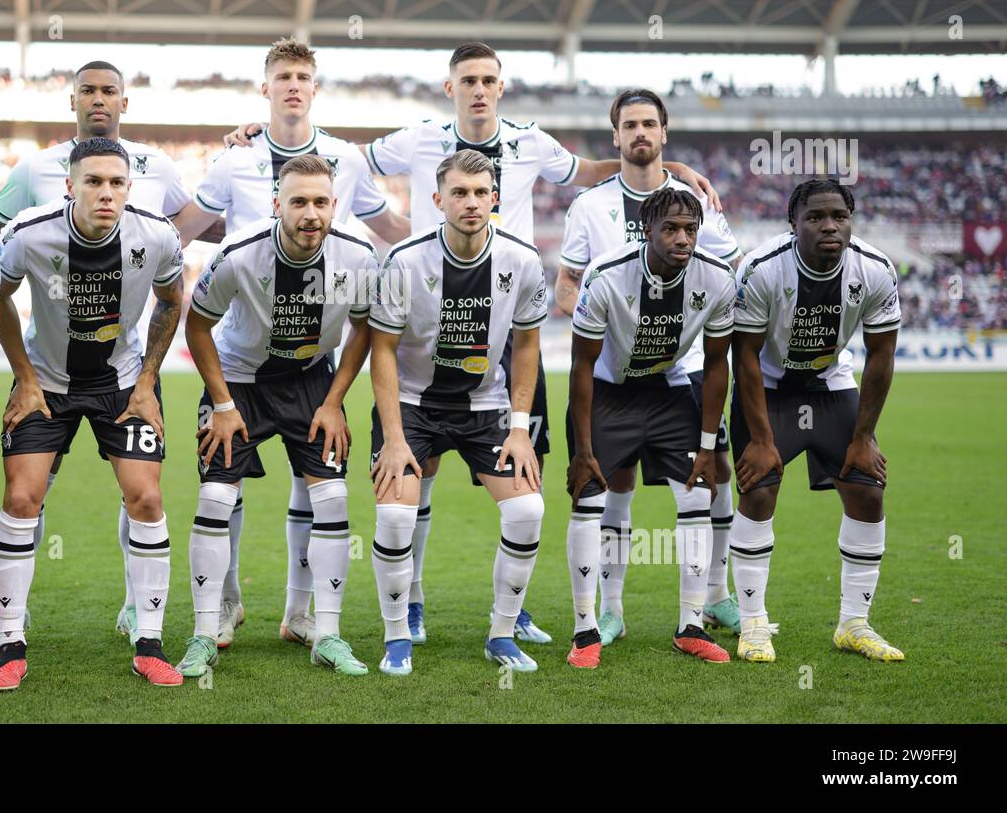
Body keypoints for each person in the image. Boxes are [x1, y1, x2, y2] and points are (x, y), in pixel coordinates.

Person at [234, 41, 719, 647]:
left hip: (506, 321)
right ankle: (409, 604)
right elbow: (346, 158)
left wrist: (670, 172)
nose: (480, 89)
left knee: (526, 470)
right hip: (426, 317)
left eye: (489, 79)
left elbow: (594, 172)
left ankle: (511, 614)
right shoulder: (416, 138)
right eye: (469, 80)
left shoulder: (530, 141)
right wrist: (268, 132)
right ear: (451, 87)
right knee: (418, 470)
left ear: (501, 86)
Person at [172, 37, 410, 651]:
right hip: (244, 358)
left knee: (321, 491)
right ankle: (221, 607)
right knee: (224, 488)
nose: (294, 85)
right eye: (284, 76)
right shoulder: (236, 159)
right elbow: (183, 233)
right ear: (267, 87)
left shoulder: (346, 160)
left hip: (312, 358)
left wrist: (465, 236)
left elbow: (390, 232)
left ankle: (305, 616)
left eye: (304, 75)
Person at [0, 60, 193, 643]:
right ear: (70, 186)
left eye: (116, 184)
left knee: (146, 497)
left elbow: (171, 301)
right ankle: (10, 636)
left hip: (122, 382)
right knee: (23, 496)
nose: (106, 194)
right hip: (48, 383)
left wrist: (149, 381)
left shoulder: (155, 234)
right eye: (94, 183)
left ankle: (148, 635)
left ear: (129, 186)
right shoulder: (30, 232)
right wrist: (25, 378)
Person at [176, 154, 378, 679]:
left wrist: (333, 401)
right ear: (276, 206)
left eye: (320, 202)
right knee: (216, 496)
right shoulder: (239, 254)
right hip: (239, 383)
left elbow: (365, 329)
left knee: (332, 496)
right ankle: (205, 630)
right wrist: (221, 404)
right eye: (298, 202)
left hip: (311, 384)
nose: (310, 214)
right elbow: (197, 325)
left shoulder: (358, 257)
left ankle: (322, 630)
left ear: (334, 205)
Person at [555, 89, 743, 645]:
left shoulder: (696, 201)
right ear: (615, 137)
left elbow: (726, 274)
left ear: (664, 133)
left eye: (649, 124)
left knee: (716, 476)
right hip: (614, 372)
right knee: (617, 482)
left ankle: (715, 596)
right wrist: (605, 316)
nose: (640, 132)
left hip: (680, 371)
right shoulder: (590, 206)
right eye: (629, 124)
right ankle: (609, 610)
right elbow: (568, 284)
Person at [367, 149, 547, 676]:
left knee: (527, 511)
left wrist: (519, 429)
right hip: (413, 404)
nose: (471, 202)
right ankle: (398, 633)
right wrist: (395, 439)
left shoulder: (522, 259)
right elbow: (382, 350)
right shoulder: (406, 260)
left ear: (495, 199)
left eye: (481, 193)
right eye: (459, 192)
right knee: (397, 515)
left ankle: (500, 632)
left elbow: (527, 345)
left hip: (485, 406)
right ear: (437, 198)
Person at [729, 179, 903, 663]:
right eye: (815, 217)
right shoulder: (762, 269)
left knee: (867, 487)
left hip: (830, 384)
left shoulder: (875, 269)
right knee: (759, 486)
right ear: (793, 224)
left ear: (851, 221)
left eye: (839, 217)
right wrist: (762, 440)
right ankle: (754, 625)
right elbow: (743, 356)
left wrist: (864, 437)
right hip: (767, 388)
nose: (829, 226)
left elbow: (881, 355)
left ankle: (854, 624)